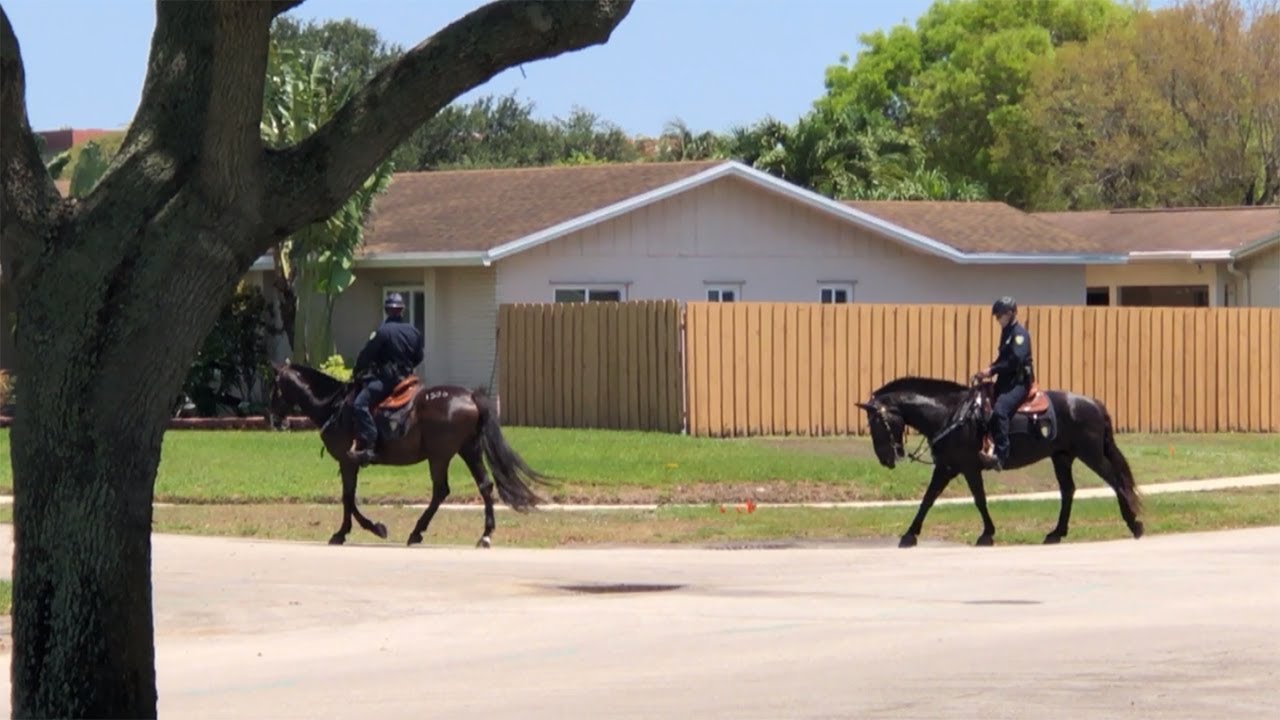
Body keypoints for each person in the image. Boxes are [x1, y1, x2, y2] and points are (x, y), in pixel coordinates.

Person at [348, 293, 424, 465]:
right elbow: (419, 356)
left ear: (387, 310)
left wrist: (358, 369)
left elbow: (367, 355)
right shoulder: (413, 331)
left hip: (389, 381)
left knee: (360, 403)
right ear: (402, 311)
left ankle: (370, 443)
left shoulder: (383, 331)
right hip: (409, 379)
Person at [974, 296, 1033, 471]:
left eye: (1000, 315)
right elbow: (1003, 358)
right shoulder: (1006, 333)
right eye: (997, 316)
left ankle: (1001, 456)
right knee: (983, 404)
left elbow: (1015, 360)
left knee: (1000, 411)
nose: (998, 319)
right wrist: (989, 368)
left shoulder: (1019, 334)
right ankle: (986, 445)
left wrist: (992, 371)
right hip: (1006, 382)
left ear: (1011, 313)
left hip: (1019, 383)